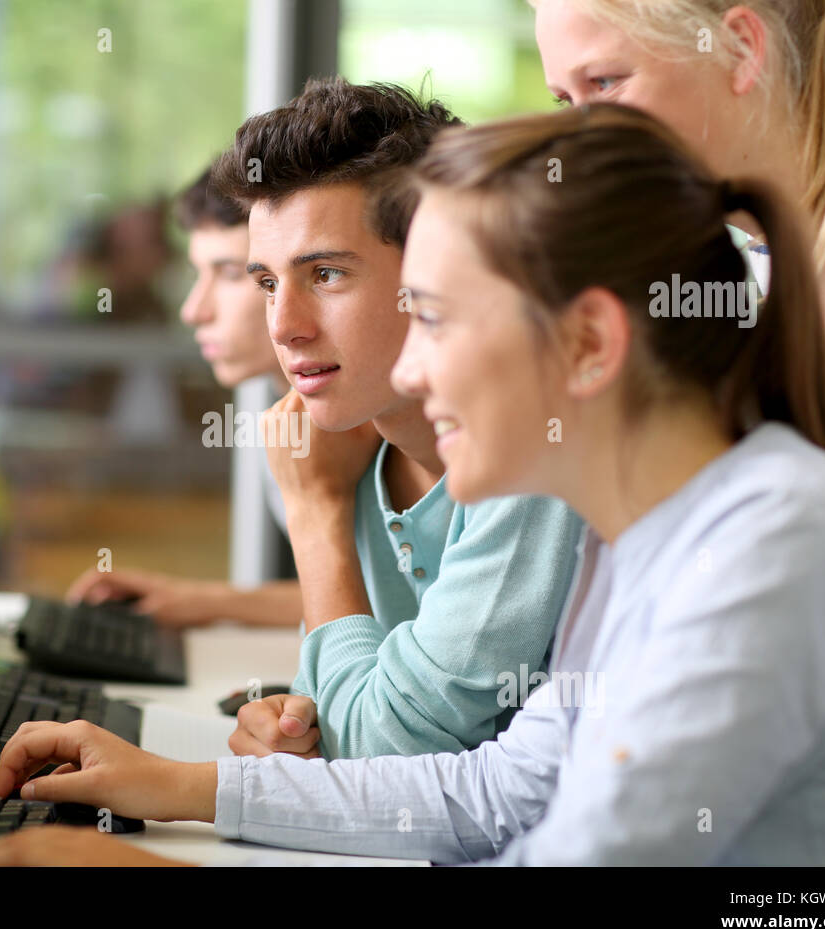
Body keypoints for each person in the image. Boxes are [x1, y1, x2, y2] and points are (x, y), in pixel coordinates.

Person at [0, 105, 825, 867]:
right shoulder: (645, 535)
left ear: (588, 344)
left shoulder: (769, 548)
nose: (411, 372)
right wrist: (178, 788)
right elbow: (501, 796)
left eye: (440, 321)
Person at [211, 77, 582, 760]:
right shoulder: (344, 452)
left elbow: (386, 747)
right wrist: (291, 722)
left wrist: (315, 514)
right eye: (266, 283)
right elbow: (334, 718)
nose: (284, 327)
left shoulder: (532, 450)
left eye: (326, 274)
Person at [533, 0, 825, 529]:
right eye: (565, 101)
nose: (580, 140)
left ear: (741, 50)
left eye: (605, 83)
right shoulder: (766, 262)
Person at [64, 162, 304, 628]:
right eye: (197, 274)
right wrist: (198, 599)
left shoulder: (365, 430)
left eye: (229, 273)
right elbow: (351, 600)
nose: (193, 311)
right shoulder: (278, 418)